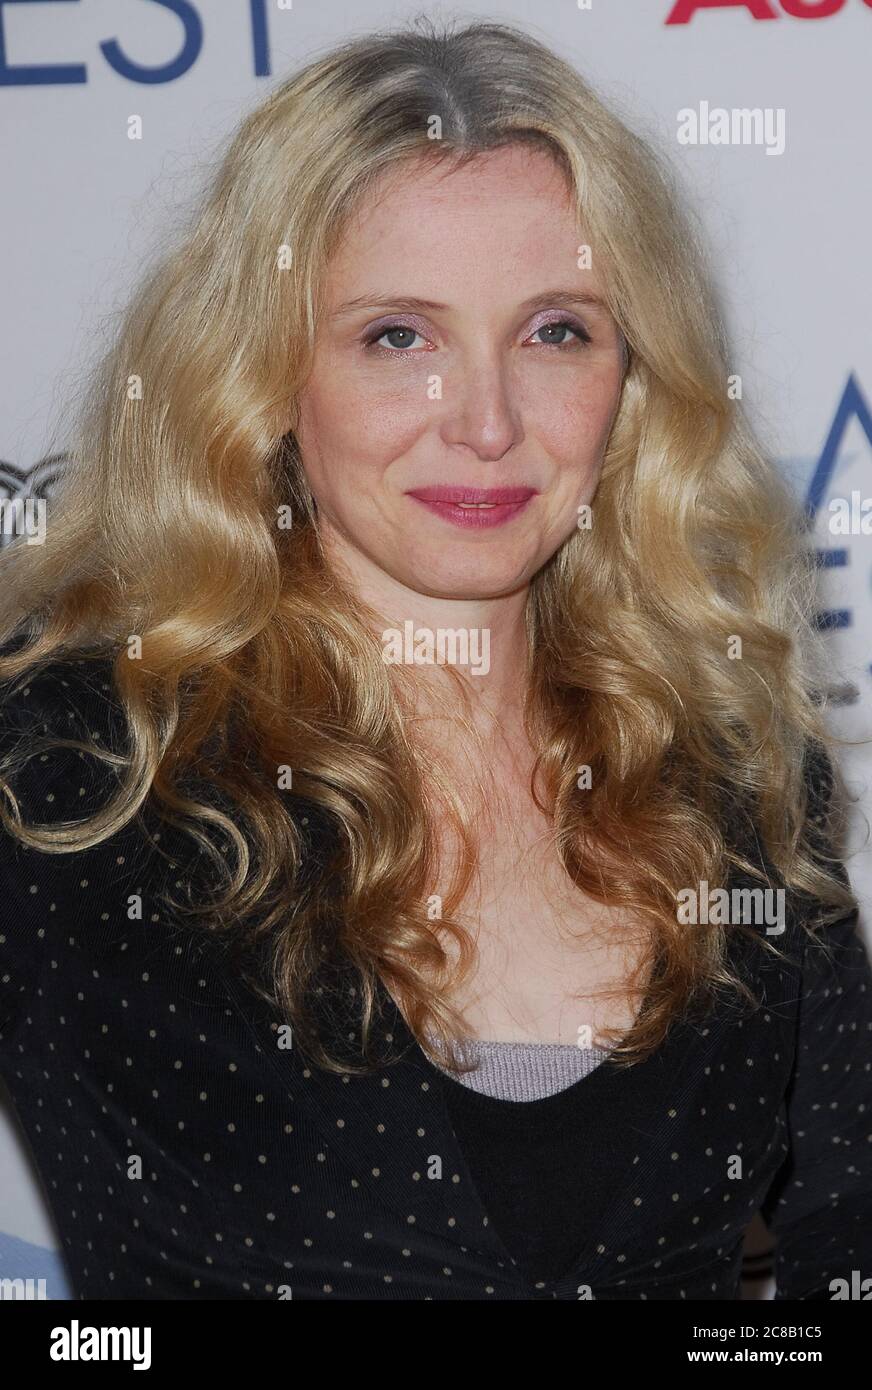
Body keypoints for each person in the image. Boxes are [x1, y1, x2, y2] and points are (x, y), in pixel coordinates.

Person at [0, 16, 870, 1302]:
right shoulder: (74, 764)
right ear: (264, 369)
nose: (486, 421)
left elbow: (839, 1237)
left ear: (632, 371)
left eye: (555, 331)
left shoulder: (734, 768)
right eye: (396, 337)